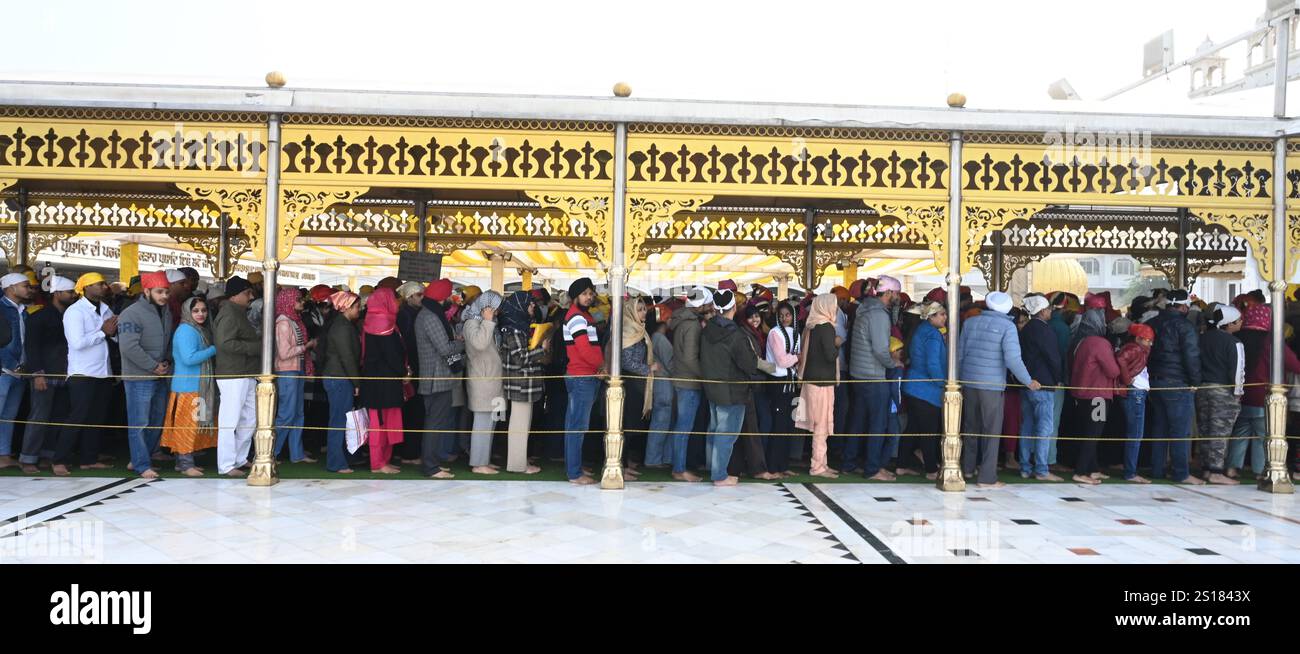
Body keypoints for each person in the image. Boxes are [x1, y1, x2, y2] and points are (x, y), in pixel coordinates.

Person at [957, 291, 1040, 488]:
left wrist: (960, 379)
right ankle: (986, 478)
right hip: (991, 385)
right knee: (991, 431)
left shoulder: (970, 322)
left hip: (969, 382)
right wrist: (1028, 381)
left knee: (970, 428)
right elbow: (1012, 359)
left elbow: (960, 353)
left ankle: (968, 469)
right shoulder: (1008, 326)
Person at [52, 273, 118, 476]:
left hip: (103, 371)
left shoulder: (106, 309)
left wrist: (113, 333)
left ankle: (89, 460)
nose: (104, 287)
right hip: (82, 373)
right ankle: (59, 460)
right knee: (78, 417)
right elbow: (77, 343)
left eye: (104, 284)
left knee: (96, 418)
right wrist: (103, 332)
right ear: (86, 288)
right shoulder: (75, 312)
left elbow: (113, 337)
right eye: (99, 284)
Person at [1232, 303, 1300, 477]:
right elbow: (1293, 364)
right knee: (1263, 436)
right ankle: (1258, 470)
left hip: (1239, 394)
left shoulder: (1237, 336)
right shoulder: (1271, 341)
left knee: (1240, 433)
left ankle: (1232, 468)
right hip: (1264, 395)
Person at [118, 270, 174, 478]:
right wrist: (153, 366)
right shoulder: (131, 313)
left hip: (160, 374)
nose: (164, 296)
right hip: (139, 377)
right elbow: (128, 347)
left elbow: (167, 340)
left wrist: (166, 361)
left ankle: (141, 458)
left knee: (157, 420)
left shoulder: (166, 311)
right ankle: (142, 465)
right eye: (160, 292)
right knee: (139, 422)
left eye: (166, 292)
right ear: (146, 290)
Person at [17, 276, 76, 474]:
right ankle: (28, 459)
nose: (73, 295)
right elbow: (32, 347)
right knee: (39, 417)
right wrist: (37, 374)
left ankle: (48, 456)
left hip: (64, 373)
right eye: (70, 292)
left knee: (58, 417)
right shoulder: (39, 316)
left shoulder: (70, 315)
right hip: (44, 373)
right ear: (58, 293)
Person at [698, 290, 756, 487]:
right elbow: (749, 364)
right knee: (726, 434)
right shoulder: (735, 335)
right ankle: (719, 475)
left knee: (715, 430)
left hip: (712, 388)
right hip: (732, 391)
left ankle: (713, 468)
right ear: (733, 307)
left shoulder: (706, 330)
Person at [1146, 290, 1203, 484]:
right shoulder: (1185, 326)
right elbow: (1191, 357)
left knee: (1160, 427)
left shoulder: (1152, 323)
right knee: (1180, 430)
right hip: (1177, 382)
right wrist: (1195, 381)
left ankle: (1157, 470)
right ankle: (1181, 473)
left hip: (1154, 381)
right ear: (1184, 306)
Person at [848, 275, 902, 481]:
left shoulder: (865, 308)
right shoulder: (879, 315)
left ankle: (849, 463)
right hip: (873, 375)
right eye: (896, 293)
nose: (897, 297)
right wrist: (893, 363)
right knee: (877, 424)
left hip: (858, 374)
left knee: (858, 421)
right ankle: (872, 469)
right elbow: (880, 350)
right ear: (888, 293)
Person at [161, 296, 219, 476]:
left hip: (197, 388)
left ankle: (183, 462)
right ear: (188, 312)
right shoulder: (186, 330)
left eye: (203, 310)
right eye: (196, 311)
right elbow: (189, 358)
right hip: (188, 389)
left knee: (194, 427)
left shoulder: (197, 329)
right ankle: (186, 465)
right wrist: (214, 349)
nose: (201, 314)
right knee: (187, 427)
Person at [1068, 306, 1122, 485]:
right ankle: (1081, 471)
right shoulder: (1100, 343)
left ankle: (1092, 468)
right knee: (1093, 433)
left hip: (1082, 395)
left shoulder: (1081, 341)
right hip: (1098, 396)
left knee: (1088, 431)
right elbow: (1113, 371)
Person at [212, 275, 260, 477]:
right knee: (230, 421)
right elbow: (225, 343)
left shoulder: (237, 312)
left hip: (245, 372)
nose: (250, 297)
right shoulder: (229, 314)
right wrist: (255, 348)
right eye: (246, 293)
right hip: (233, 373)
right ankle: (226, 465)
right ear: (234, 295)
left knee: (249, 418)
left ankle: (239, 459)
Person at [358, 287, 408, 474]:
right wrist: (403, 371)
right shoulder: (382, 322)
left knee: (385, 423)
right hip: (382, 383)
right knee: (379, 424)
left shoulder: (377, 320)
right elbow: (391, 354)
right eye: (393, 299)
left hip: (379, 382)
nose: (396, 302)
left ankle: (383, 461)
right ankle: (378, 463)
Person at [413, 279, 458, 479]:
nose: (451, 299)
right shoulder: (430, 317)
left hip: (437, 376)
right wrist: (461, 344)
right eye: (449, 295)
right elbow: (445, 348)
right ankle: (431, 467)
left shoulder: (430, 314)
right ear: (441, 297)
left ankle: (434, 462)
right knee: (434, 423)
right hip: (435, 378)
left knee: (437, 421)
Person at [562, 277, 605, 485]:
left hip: (583, 375)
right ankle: (574, 474)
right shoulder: (577, 317)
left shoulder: (581, 316)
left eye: (591, 293)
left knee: (576, 426)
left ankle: (575, 470)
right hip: (582, 376)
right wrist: (601, 366)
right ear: (575, 296)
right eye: (585, 294)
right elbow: (585, 349)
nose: (589, 297)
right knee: (577, 426)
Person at [498, 290, 546, 474]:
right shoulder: (515, 329)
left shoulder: (518, 326)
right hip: (520, 383)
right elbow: (520, 357)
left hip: (522, 383)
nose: (533, 306)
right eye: (530, 303)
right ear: (519, 306)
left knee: (521, 423)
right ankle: (517, 465)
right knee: (519, 424)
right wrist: (542, 350)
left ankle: (519, 462)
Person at [795, 293, 841, 478]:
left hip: (811, 381)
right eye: (834, 304)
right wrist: (837, 344)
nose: (836, 308)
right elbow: (830, 355)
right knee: (821, 426)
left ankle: (822, 463)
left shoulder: (811, 326)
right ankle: (818, 467)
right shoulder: (826, 327)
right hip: (822, 383)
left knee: (818, 425)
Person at [730, 303, 778, 479]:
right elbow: (754, 360)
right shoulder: (744, 334)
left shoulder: (757, 334)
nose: (755, 319)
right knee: (755, 424)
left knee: (753, 425)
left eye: (757, 315)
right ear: (744, 319)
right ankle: (756, 467)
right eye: (751, 317)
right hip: (752, 384)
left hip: (757, 384)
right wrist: (775, 368)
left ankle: (746, 465)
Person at [1196, 305, 1244, 485]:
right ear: (1229, 324)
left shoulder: (1202, 338)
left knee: (1205, 430)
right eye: (1238, 321)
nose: (1241, 323)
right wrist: (1238, 393)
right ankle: (1216, 471)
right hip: (1223, 390)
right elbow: (1238, 371)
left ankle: (1206, 469)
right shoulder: (1234, 343)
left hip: (1202, 389)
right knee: (1220, 432)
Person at [1017, 293, 1062, 481]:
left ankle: (1025, 467)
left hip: (1026, 383)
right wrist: (1058, 378)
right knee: (1044, 427)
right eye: (1049, 309)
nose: (1050, 311)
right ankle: (1042, 469)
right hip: (1043, 385)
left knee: (1027, 425)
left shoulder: (1026, 329)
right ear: (1042, 311)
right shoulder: (1045, 330)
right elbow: (1053, 358)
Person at [666, 286, 709, 482]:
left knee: (680, 426)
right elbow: (691, 358)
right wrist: (704, 376)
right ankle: (679, 469)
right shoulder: (692, 325)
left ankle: (678, 466)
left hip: (681, 378)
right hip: (689, 382)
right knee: (684, 427)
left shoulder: (681, 320)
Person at [900, 300, 946, 480]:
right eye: (941, 314)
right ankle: (931, 470)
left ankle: (901, 466)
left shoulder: (921, 330)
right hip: (926, 389)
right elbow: (933, 363)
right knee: (929, 431)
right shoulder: (932, 334)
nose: (945, 317)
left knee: (912, 428)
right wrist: (942, 383)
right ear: (931, 316)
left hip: (914, 386)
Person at [273, 287, 318, 464]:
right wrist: (306, 347)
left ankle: (296, 453)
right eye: (298, 300)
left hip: (296, 369)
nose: (301, 302)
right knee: (286, 413)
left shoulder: (294, 320)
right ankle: (271, 453)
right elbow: (284, 353)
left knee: (298, 413)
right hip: (287, 371)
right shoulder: (283, 323)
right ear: (289, 301)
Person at [463, 290, 504, 475]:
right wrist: (487, 321)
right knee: (481, 424)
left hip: (492, 381)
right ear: (486, 307)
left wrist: (488, 322)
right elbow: (479, 344)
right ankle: (478, 464)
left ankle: (484, 460)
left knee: (491, 423)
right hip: (482, 381)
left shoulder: (486, 323)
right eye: (494, 308)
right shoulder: (471, 323)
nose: (496, 312)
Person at [321, 291, 362, 474]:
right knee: (338, 421)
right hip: (339, 378)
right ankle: (335, 462)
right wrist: (356, 382)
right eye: (356, 306)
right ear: (346, 307)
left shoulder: (342, 324)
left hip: (338, 377)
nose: (359, 310)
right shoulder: (342, 328)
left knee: (340, 420)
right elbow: (347, 357)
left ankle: (341, 459)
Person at [617, 297, 656, 479]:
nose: (643, 312)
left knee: (632, 426)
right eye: (639, 309)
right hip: (630, 384)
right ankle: (620, 467)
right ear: (631, 311)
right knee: (625, 426)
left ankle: (625, 465)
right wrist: (648, 369)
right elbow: (626, 361)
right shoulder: (627, 330)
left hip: (638, 384)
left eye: (644, 309)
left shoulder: (640, 330)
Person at [764, 301, 802, 477]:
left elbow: (791, 359)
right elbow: (782, 361)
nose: (784, 318)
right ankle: (773, 467)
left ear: (793, 316)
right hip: (778, 384)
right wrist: (798, 357)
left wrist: (795, 358)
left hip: (792, 383)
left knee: (788, 425)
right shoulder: (774, 332)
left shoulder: (796, 333)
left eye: (787, 314)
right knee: (778, 425)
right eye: (781, 315)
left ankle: (784, 465)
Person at [0, 272, 32, 469]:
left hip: (20, 371)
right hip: (4, 370)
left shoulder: (23, 310)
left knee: (8, 416)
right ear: (11, 288)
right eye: (25, 285)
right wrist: (9, 365)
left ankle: (3, 455)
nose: (29, 289)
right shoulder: (1, 309)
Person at [1116, 323, 1154, 483]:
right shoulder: (1135, 348)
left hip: (1135, 392)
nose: (1150, 344)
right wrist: (1126, 379)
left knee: (1134, 433)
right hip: (1135, 393)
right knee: (1135, 434)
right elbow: (1120, 359)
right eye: (1147, 340)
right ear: (1138, 338)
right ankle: (1130, 472)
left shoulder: (1133, 347)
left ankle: (1130, 469)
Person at [395, 281, 425, 465]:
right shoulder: (405, 316)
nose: (422, 298)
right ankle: (409, 453)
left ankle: (407, 451)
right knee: (412, 410)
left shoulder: (411, 313)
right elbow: (408, 344)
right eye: (419, 295)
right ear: (409, 297)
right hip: (410, 369)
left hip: (412, 367)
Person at [643, 306, 676, 469]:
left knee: (661, 421)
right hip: (664, 383)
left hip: (658, 382)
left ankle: (659, 458)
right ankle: (654, 459)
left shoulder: (654, 337)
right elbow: (671, 363)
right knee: (661, 421)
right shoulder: (660, 339)